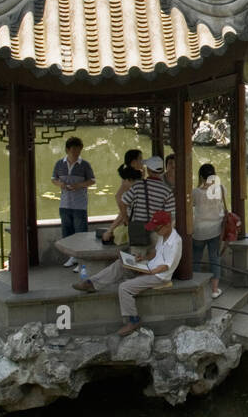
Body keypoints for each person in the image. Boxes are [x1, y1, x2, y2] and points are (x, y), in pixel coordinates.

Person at [72, 211, 180, 336]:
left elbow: (165, 266)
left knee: (124, 287)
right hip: (150, 268)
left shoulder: (175, 242)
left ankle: (133, 320)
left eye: (157, 228)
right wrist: (143, 259)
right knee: (120, 264)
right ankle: (92, 283)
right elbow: (156, 252)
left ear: (167, 225)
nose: (155, 231)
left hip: (159, 276)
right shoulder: (163, 235)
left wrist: (148, 272)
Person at [52, 137, 95, 270]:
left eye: (78, 150)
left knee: (81, 232)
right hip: (64, 203)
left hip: (79, 204)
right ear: (67, 150)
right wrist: (61, 184)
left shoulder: (85, 165)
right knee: (67, 232)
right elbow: (54, 179)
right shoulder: (59, 164)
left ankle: (82, 261)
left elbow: (92, 180)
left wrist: (79, 185)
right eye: (74, 150)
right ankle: (72, 257)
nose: (76, 153)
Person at [192, 163, 227, 299]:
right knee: (215, 259)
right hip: (216, 230)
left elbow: (191, 206)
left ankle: (196, 289)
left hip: (199, 230)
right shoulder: (221, 189)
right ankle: (214, 289)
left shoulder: (195, 192)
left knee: (196, 259)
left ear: (201, 177)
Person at [100, 149, 144, 245]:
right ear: (133, 162)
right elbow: (119, 198)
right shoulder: (131, 181)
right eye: (141, 159)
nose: (143, 161)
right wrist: (123, 220)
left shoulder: (133, 178)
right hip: (132, 219)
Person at [127, 154, 174, 228]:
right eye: (171, 163)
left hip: (138, 228)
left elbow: (124, 202)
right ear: (162, 169)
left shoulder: (138, 185)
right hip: (157, 228)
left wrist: (126, 219)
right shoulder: (167, 190)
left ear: (148, 170)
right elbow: (168, 215)